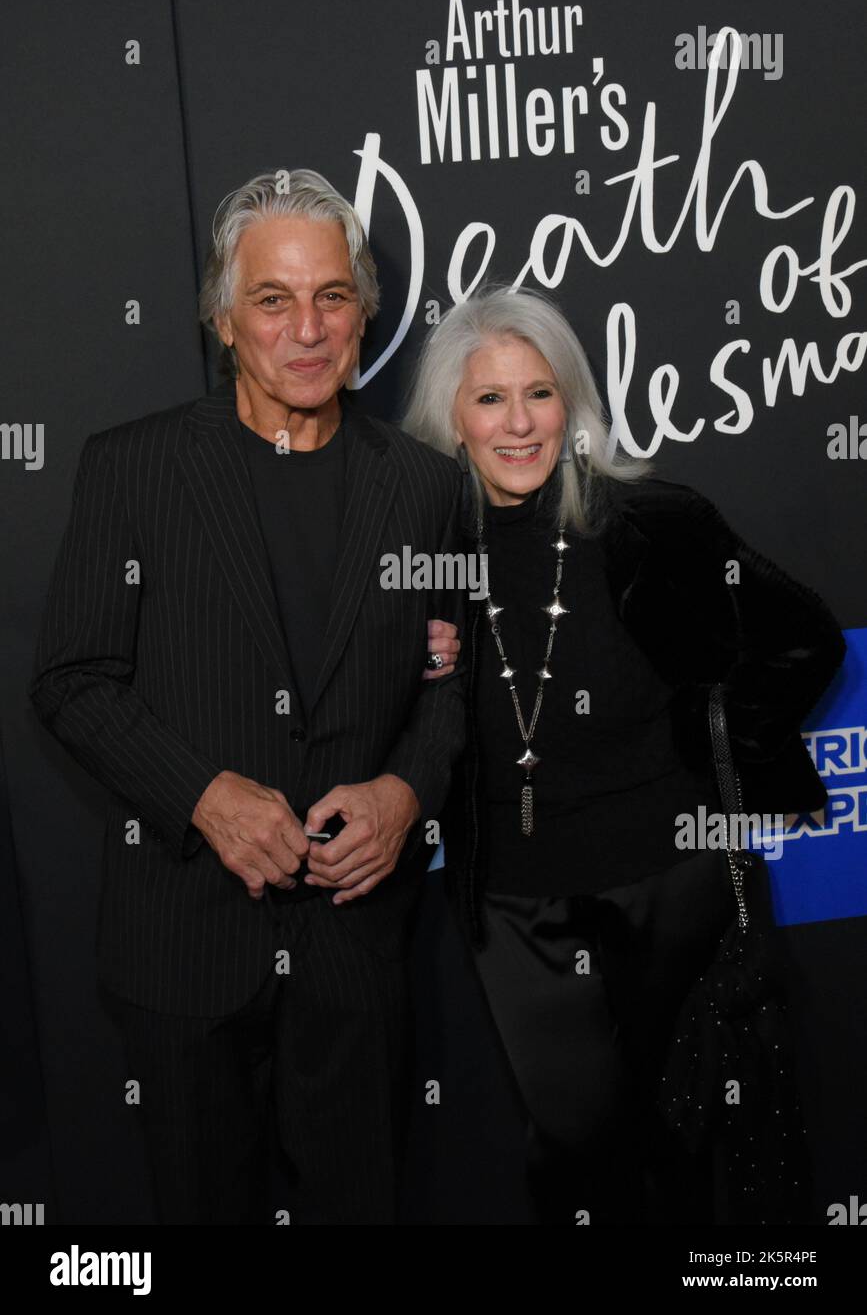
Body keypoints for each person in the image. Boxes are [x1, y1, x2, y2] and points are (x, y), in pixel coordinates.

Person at [28, 169, 467, 1225]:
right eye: (274, 299)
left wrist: (405, 795)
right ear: (226, 321)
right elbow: (71, 679)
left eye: (332, 297)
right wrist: (203, 796)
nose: (306, 329)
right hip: (184, 948)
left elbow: (450, 683)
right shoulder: (132, 470)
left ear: (365, 314)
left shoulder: (423, 486)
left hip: (354, 951)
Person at [403, 285, 846, 1225]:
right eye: (489, 399)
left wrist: (725, 739)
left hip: (672, 877)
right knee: (574, 1143)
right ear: (450, 415)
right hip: (515, 903)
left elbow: (804, 636)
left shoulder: (650, 522)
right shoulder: (419, 554)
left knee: (687, 1138)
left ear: (573, 403)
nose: (518, 424)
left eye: (540, 393)